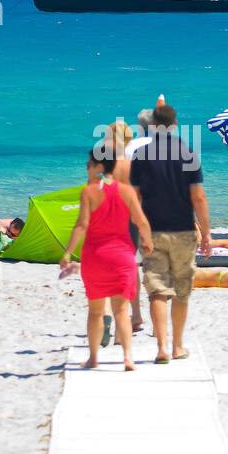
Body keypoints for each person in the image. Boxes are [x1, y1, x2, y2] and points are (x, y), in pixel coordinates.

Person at [129, 102, 210, 364]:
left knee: (158, 290)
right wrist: (206, 232)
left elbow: (135, 198)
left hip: (154, 232)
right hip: (184, 231)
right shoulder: (187, 153)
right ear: (174, 125)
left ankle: (162, 348)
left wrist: (142, 229)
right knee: (182, 291)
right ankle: (177, 346)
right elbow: (197, 197)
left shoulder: (141, 156)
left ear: (152, 126)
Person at [60, 147, 154, 371]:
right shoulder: (127, 191)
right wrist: (148, 242)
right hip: (122, 257)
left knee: (95, 311)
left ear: (99, 166)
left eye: (90, 163)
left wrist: (67, 253)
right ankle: (127, 358)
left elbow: (81, 225)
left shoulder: (89, 192)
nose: (87, 167)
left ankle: (94, 358)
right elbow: (141, 222)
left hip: (96, 257)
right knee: (122, 311)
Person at [105, 120, 145, 334]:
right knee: (134, 268)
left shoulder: (111, 165)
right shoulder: (134, 161)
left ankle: (116, 316)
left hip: (118, 221)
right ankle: (136, 314)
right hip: (136, 218)